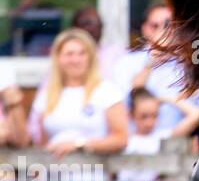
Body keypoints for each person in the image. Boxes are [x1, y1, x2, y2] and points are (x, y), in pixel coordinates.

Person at [26, 29, 128, 159]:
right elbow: (41, 143)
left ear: (90, 57)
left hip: (93, 169)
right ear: (58, 58)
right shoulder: (46, 95)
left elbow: (121, 139)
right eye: (69, 54)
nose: (76, 60)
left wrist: (79, 145)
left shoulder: (107, 91)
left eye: (82, 53)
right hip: (53, 169)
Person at [112, 2, 199, 138]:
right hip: (137, 142)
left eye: (169, 25)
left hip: (179, 141)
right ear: (145, 29)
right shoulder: (127, 62)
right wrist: (152, 61)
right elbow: (124, 102)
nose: (163, 31)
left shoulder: (191, 60)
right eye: (155, 26)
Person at [116, 86, 199, 181]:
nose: (149, 122)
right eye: (144, 116)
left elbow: (196, 114)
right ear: (131, 114)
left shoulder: (161, 136)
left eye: (154, 115)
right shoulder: (124, 139)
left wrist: (166, 99)